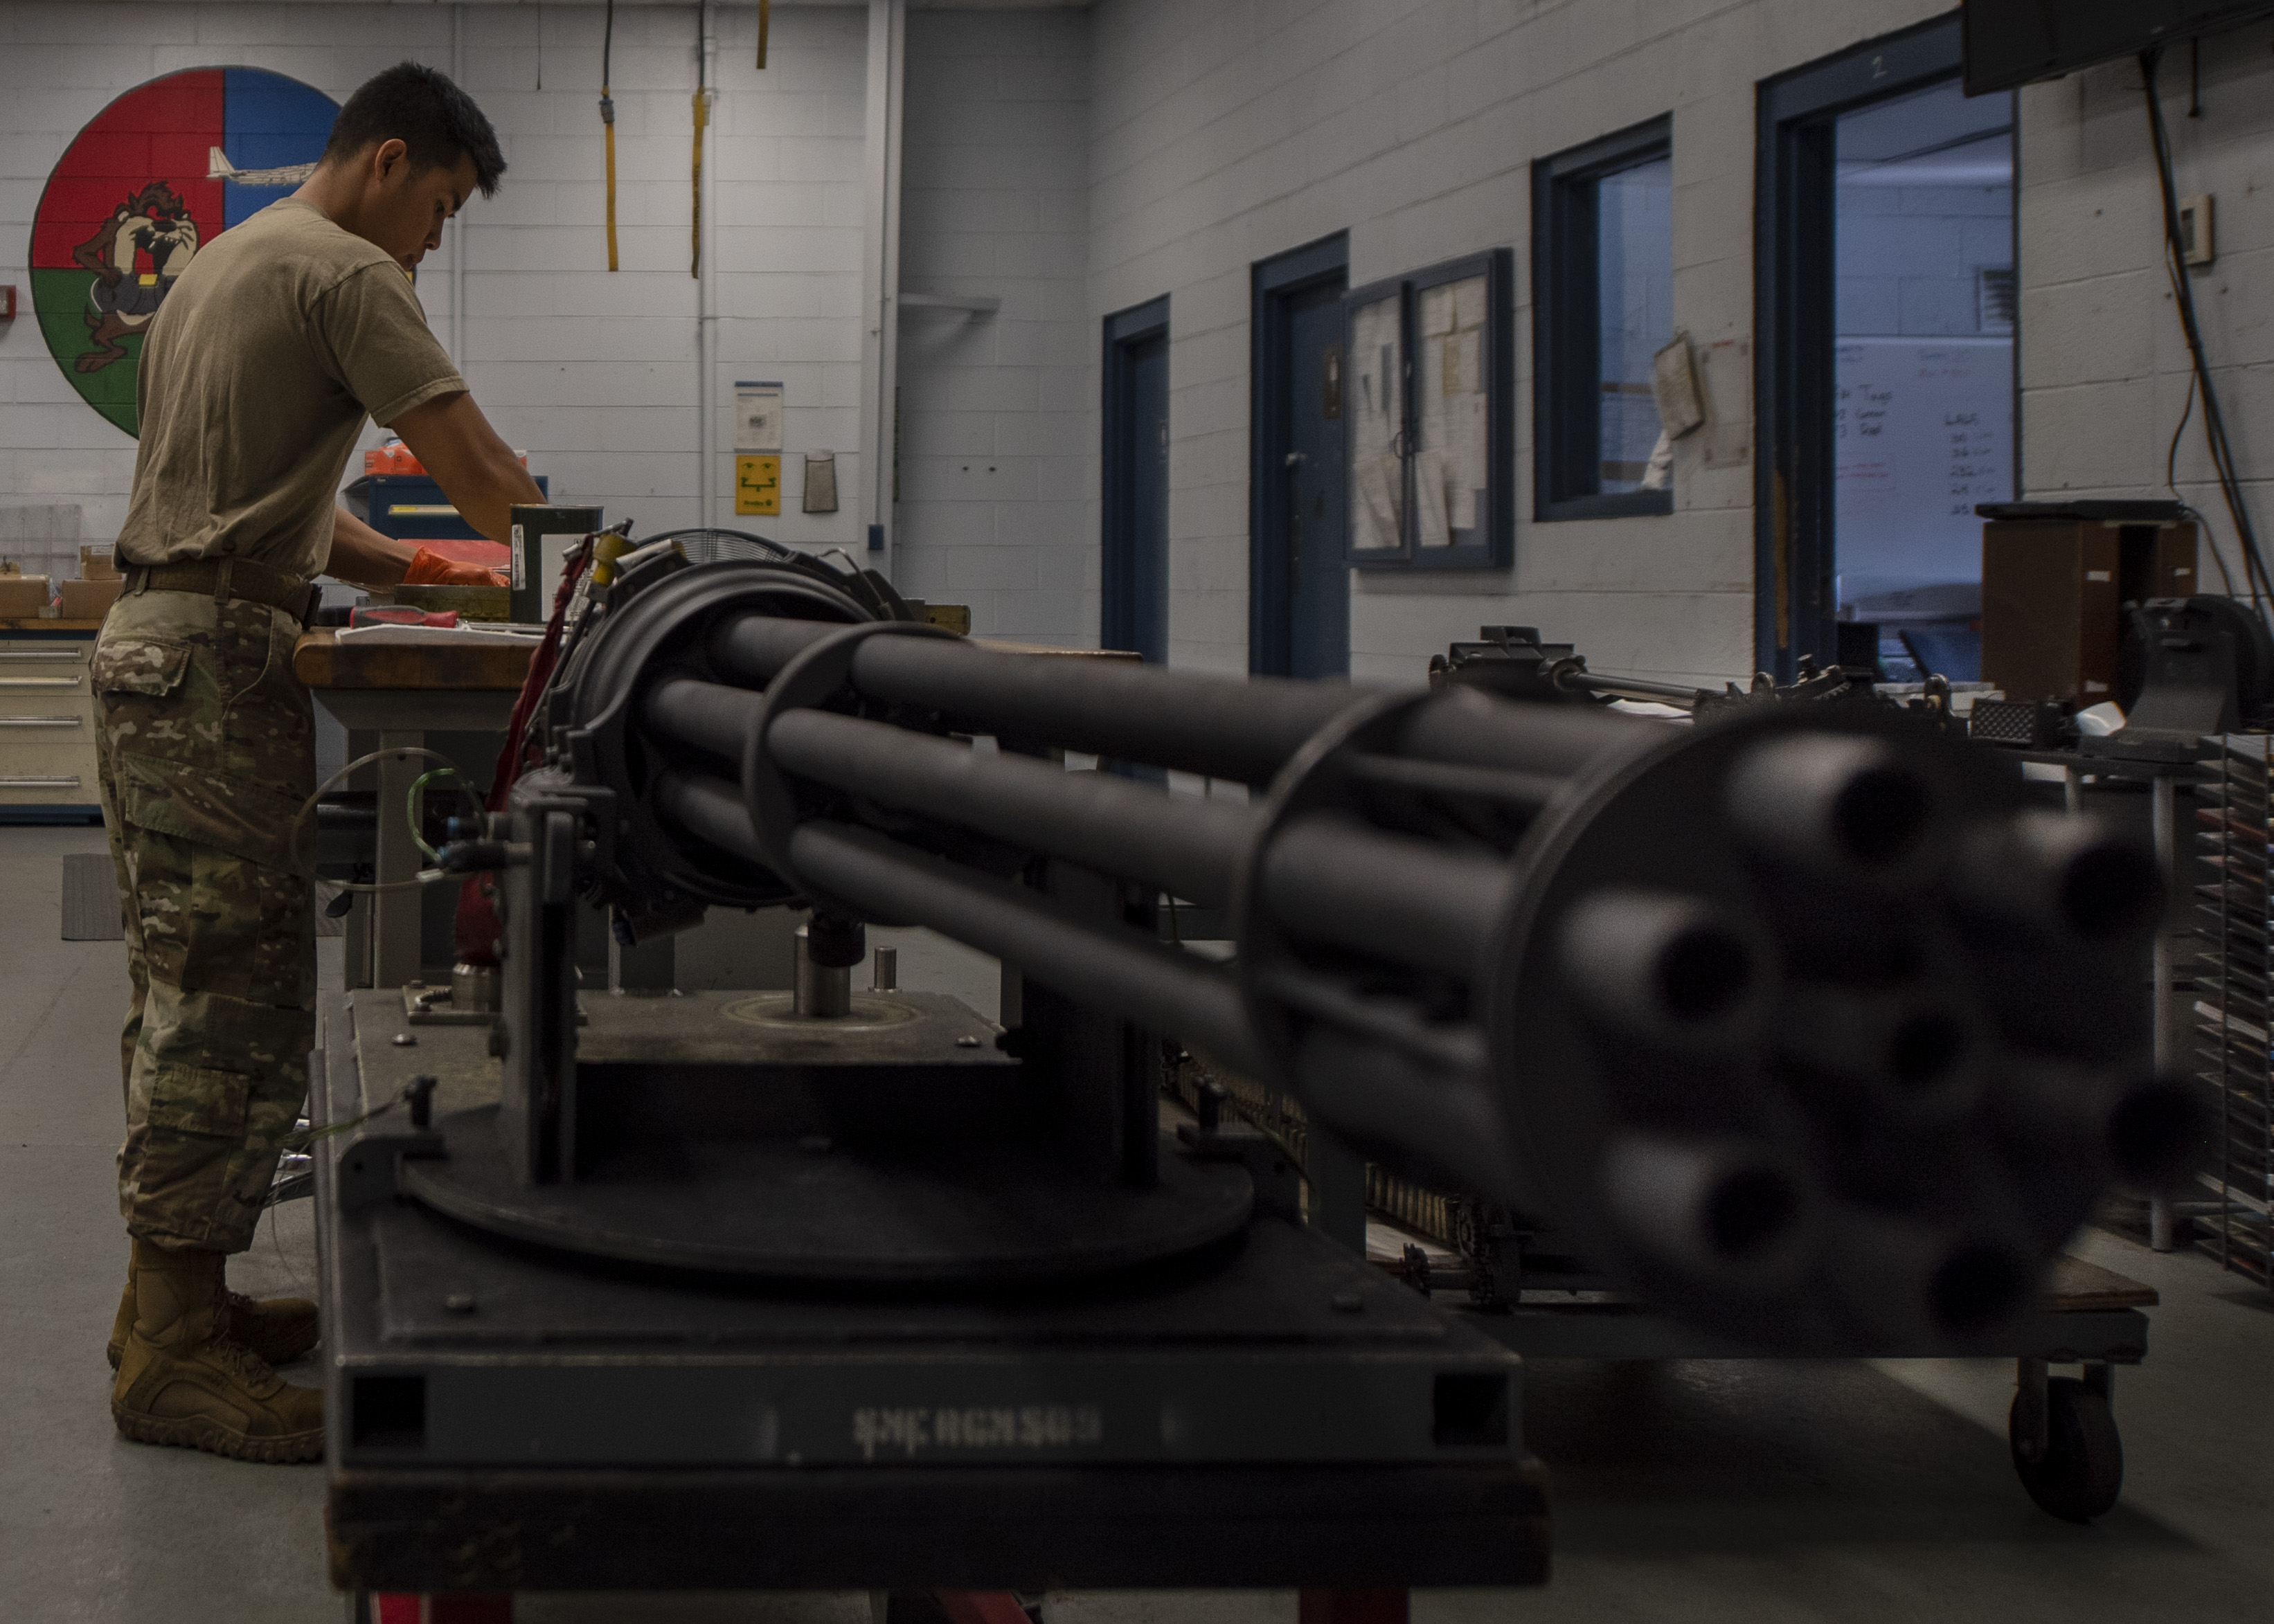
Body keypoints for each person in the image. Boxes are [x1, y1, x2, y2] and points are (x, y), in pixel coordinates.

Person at [96, 62, 545, 1463]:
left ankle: (178, 1307)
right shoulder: (350, 272)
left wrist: (410, 563)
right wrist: (583, 560)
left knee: (191, 985)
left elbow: (274, 499)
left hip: (156, 643)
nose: (432, 240)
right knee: (228, 998)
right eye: (444, 208)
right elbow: (480, 465)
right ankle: (169, 1358)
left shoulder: (229, 263)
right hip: (217, 667)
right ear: (391, 161)